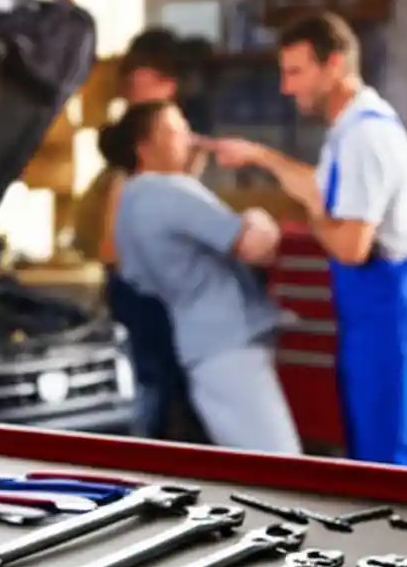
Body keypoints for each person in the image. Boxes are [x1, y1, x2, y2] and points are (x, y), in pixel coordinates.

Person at [211, 10, 407, 467]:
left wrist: (313, 215)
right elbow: (317, 186)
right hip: (372, 313)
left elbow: (350, 247)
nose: (286, 86)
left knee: (388, 465)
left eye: (296, 72)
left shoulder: (366, 137)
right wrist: (259, 156)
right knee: (367, 455)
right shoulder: (348, 128)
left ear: (333, 65)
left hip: (388, 310)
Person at [104, 99, 302, 454]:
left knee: (249, 464)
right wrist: (258, 216)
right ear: (146, 148)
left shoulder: (131, 198)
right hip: (229, 347)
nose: (191, 138)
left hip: (198, 343)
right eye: (175, 130)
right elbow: (256, 245)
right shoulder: (169, 191)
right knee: (282, 465)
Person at [73, 36, 209, 442]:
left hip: (160, 293)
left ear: (168, 87)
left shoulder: (169, 162)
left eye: (140, 83)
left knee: (164, 395)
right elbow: (108, 248)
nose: (131, 92)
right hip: (138, 292)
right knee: (148, 392)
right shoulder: (127, 168)